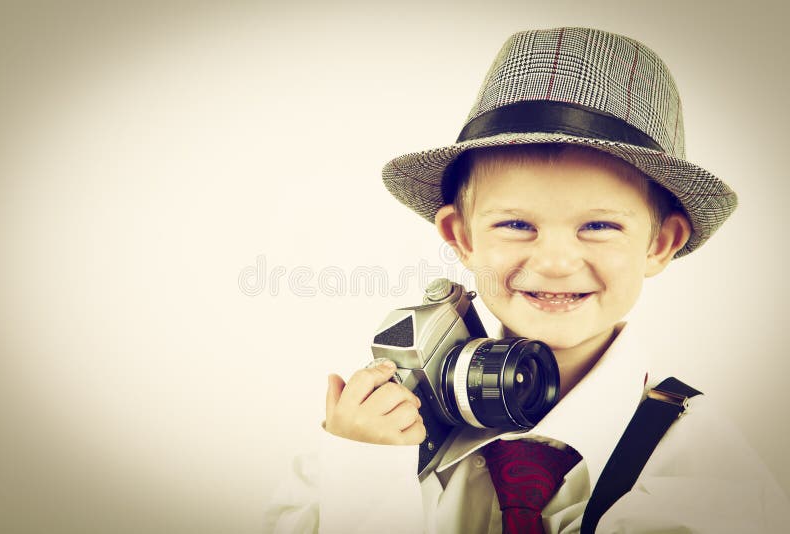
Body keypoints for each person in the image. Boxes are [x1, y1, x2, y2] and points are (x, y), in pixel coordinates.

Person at [263, 27, 789, 533]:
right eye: (517, 224)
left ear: (660, 243)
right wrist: (365, 471)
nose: (556, 262)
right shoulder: (367, 443)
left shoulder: (704, 476)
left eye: (599, 225)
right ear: (461, 237)